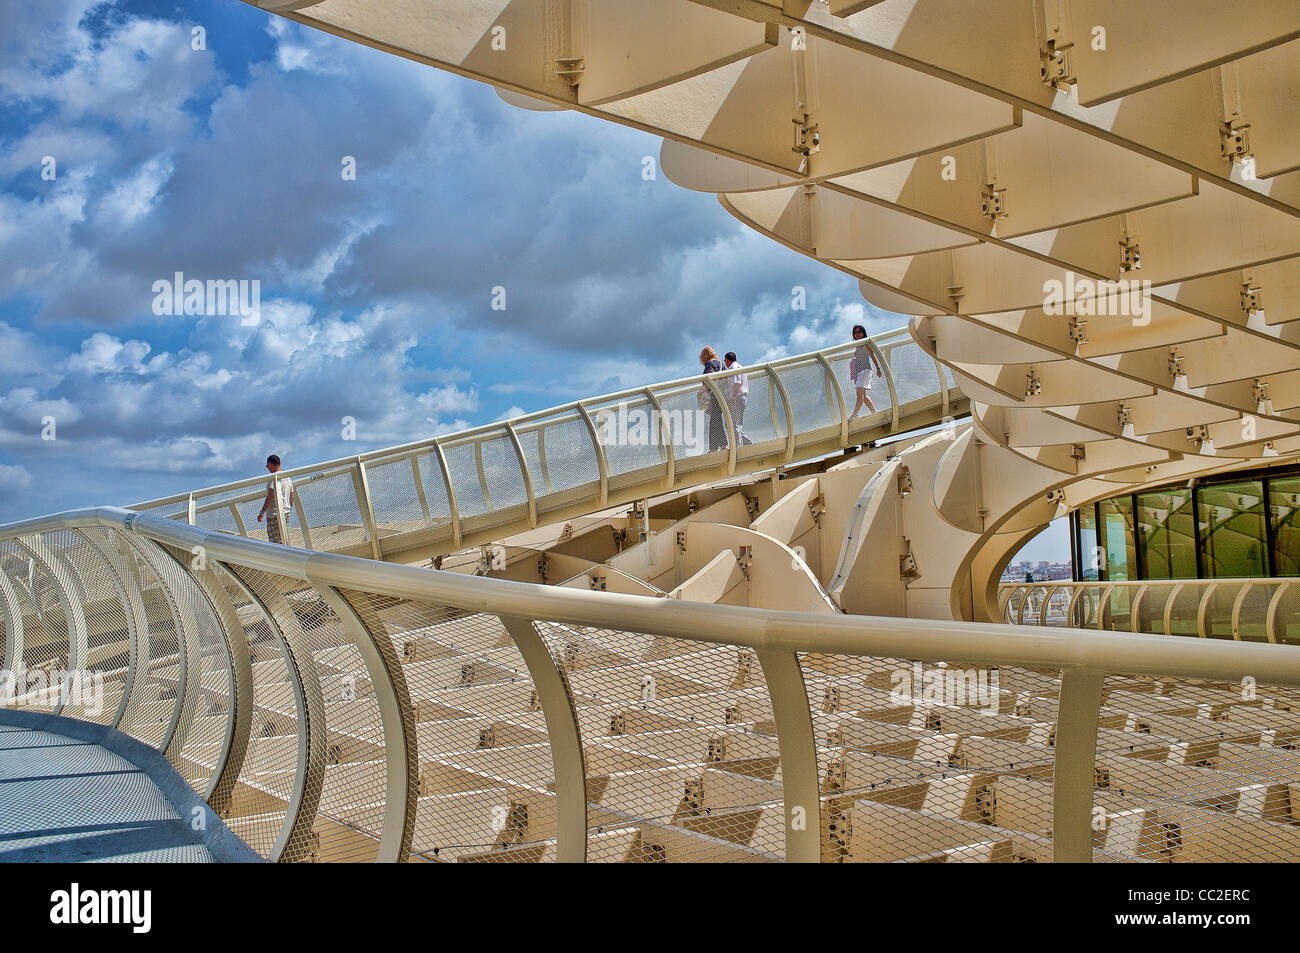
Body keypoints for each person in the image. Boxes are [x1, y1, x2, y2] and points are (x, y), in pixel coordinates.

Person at [257, 454, 295, 544]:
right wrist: (289, 508)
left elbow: (271, 495)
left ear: (271, 464)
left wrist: (262, 512)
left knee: (275, 541)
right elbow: (291, 496)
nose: (266, 466)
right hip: (285, 512)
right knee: (283, 538)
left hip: (274, 513)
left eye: (267, 464)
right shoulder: (287, 478)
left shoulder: (273, 477)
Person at [847, 324, 883, 419]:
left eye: (859, 332)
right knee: (863, 394)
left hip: (865, 371)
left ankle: (855, 414)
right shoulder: (858, 345)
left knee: (859, 393)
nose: (857, 334)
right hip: (860, 372)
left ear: (863, 333)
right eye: (855, 332)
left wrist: (878, 368)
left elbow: (872, 355)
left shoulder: (865, 343)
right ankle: (874, 412)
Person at [698, 347, 728, 453]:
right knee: (716, 421)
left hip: (714, 396)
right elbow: (726, 379)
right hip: (722, 395)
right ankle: (721, 446)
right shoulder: (721, 364)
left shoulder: (709, 364)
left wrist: (700, 392)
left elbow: (709, 380)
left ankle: (715, 448)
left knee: (715, 421)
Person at [723, 351, 753, 447]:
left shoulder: (734, 368)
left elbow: (737, 383)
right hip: (740, 398)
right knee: (733, 425)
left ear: (727, 360)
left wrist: (734, 399)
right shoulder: (739, 366)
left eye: (725, 360)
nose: (724, 362)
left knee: (734, 425)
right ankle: (747, 442)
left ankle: (738, 448)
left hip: (738, 398)